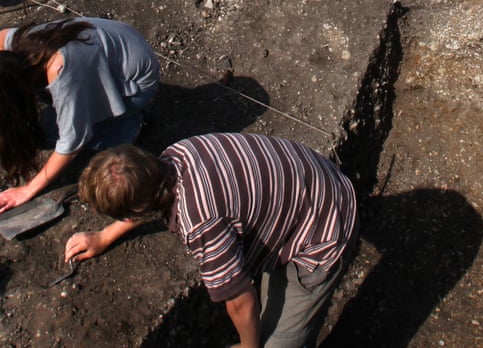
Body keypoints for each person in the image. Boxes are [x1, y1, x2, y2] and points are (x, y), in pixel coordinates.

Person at [65, 133, 358, 348]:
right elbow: (146, 194)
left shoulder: (201, 223)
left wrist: (248, 347)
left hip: (324, 231)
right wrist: (104, 236)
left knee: (279, 342)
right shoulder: (178, 154)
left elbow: (241, 302)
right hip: (314, 180)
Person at [0, 16, 160, 215]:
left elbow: (72, 141)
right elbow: (0, 37)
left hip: (135, 84)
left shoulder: (61, 70)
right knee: (47, 125)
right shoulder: (12, 47)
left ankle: (127, 125)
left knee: (61, 133)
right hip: (113, 51)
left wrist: (27, 190)